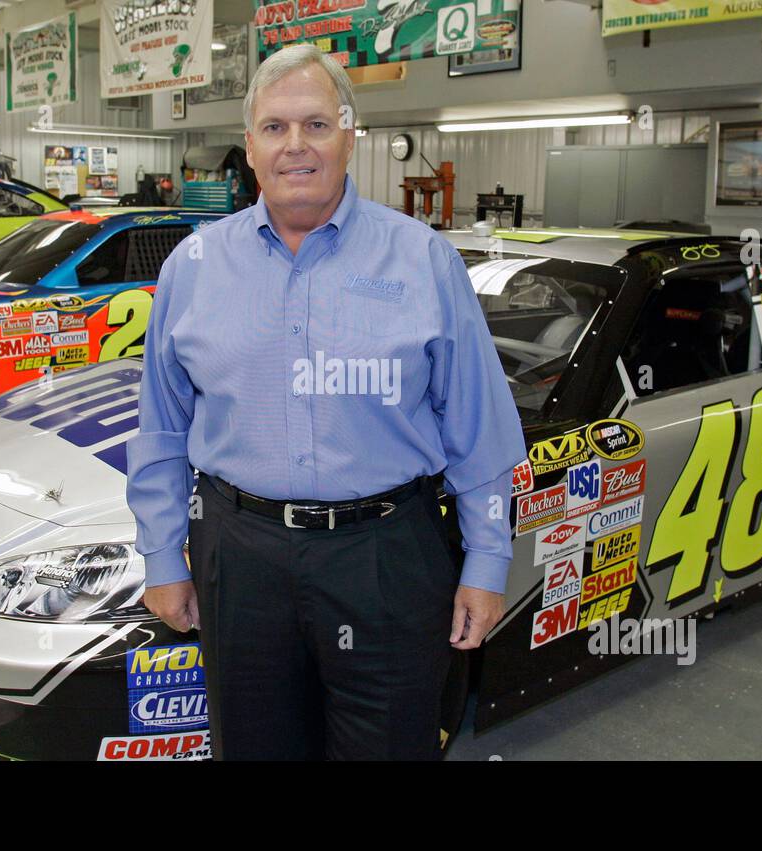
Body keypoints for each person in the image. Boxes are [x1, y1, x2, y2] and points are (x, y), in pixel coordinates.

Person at [125, 43, 525, 760]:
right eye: (275, 128)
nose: (296, 146)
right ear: (248, 147)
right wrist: (162, 553)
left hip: (386, 556)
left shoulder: (424, 260)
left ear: (349, 134)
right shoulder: (193, 268)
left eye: (316, 124)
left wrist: (487, 559)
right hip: (238, 560)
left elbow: (480, 429)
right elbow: (161, 428)